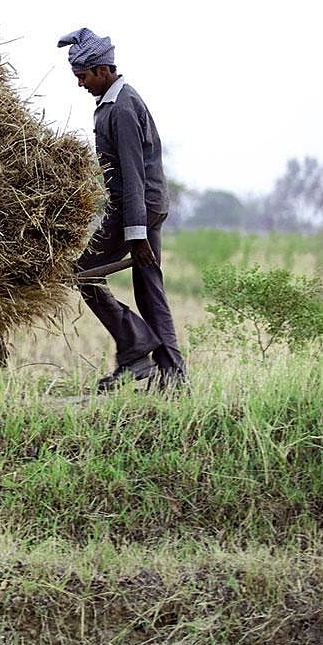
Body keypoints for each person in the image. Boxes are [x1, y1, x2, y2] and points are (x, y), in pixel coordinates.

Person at [57, 27, 187, 391]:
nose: (80, 84)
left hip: (137, 211)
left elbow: (132, 176)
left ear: (102, 70)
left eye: (82, 76)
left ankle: (135, 349)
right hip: (143, 209)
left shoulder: (123, 108)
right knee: (150, 291)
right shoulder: (113, 104)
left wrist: (137, 235)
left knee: (83, 274)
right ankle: (174, 378)